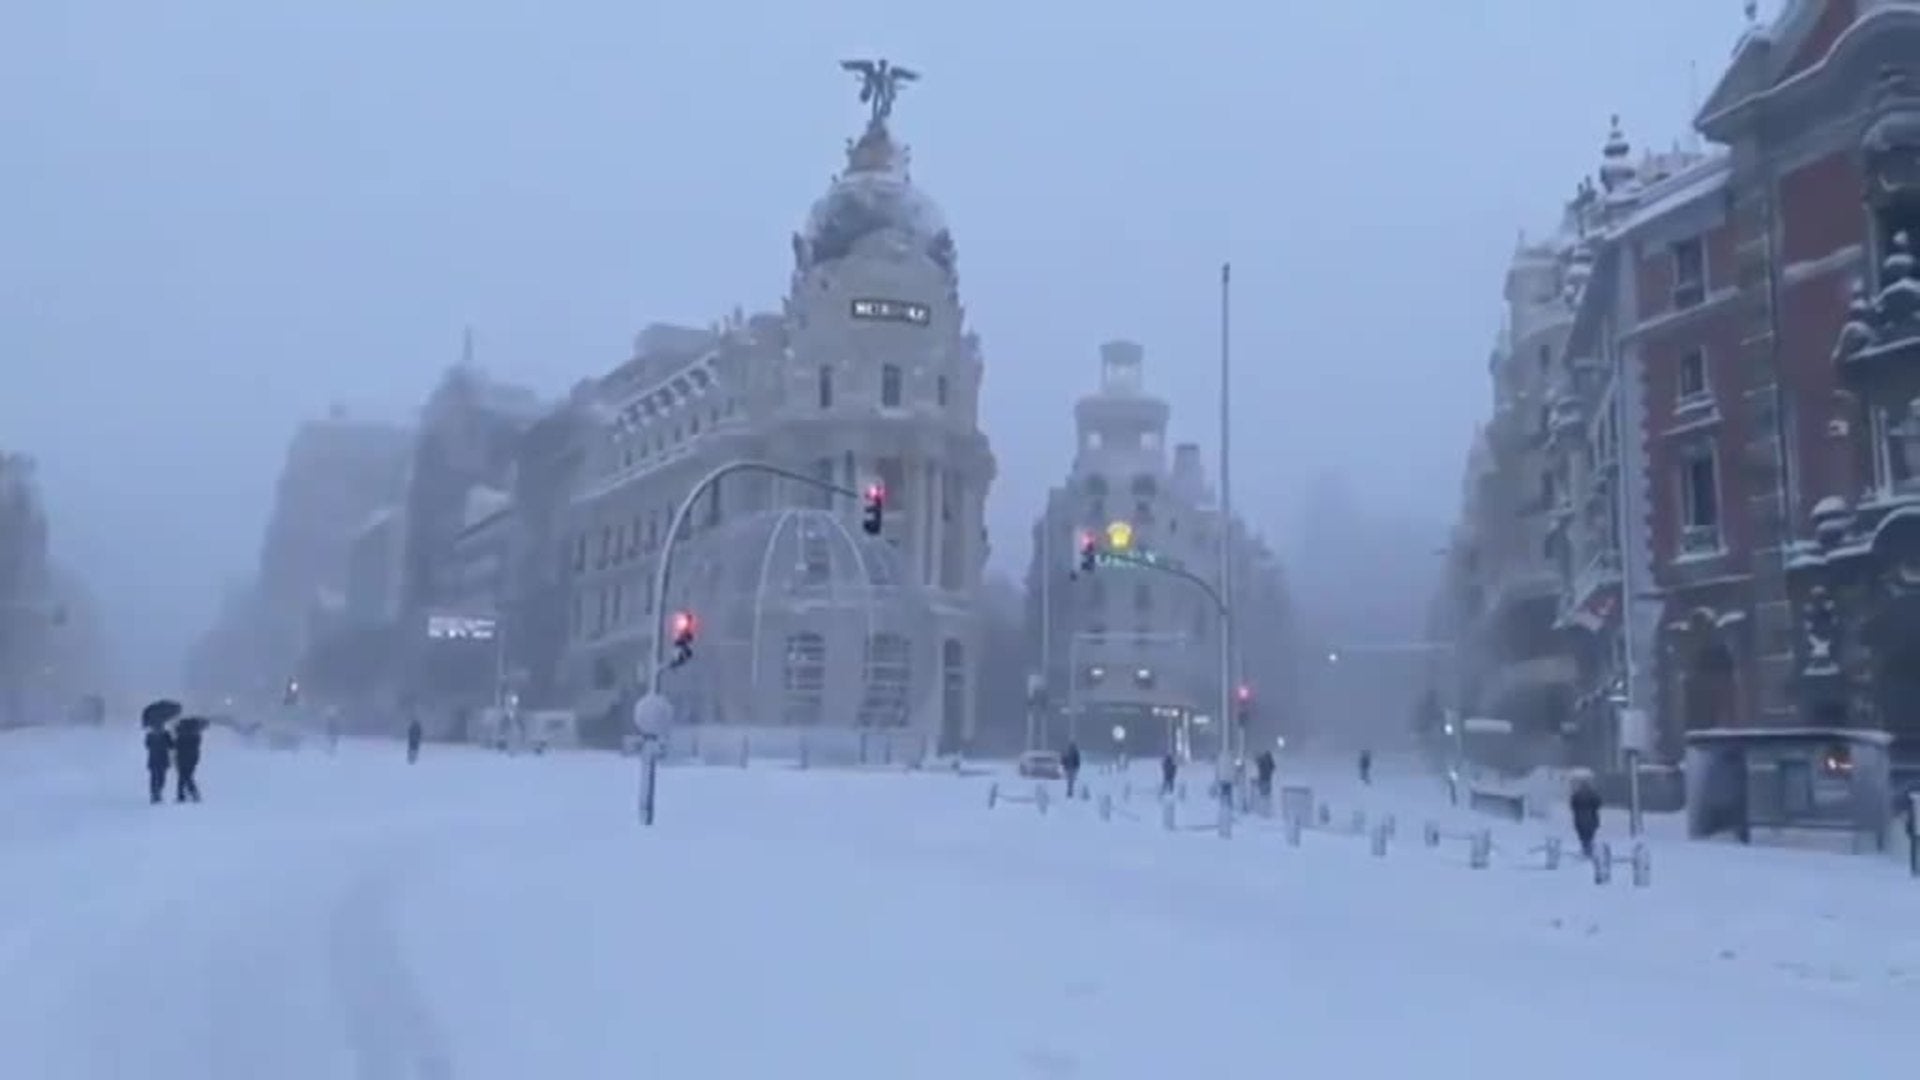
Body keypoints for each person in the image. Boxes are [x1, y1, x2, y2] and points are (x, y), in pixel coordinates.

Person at [172, 716, 205, 802]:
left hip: (181, 758)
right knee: (186, 776)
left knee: (183, 776)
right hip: (193, 758)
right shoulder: (196, 735)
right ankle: (185, 794)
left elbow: (175, 745)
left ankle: (186, 794)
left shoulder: (181, 735)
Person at [1570, 776, 1603, 859]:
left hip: (1580, 818)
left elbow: (1573, 805)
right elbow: (1598, 804)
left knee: (1582, 835)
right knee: (1590, 835)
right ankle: (1588, 849)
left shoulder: (1577, 794)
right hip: (1591, 817)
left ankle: (1586, 849)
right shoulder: (1593, 794)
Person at [144, 721, 173, 805]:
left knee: (159, 777)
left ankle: (157, 792)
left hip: (159, 759)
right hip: (158, 759)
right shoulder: (151, 735)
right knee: (156, 777)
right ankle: (155, 793)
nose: (158, 729)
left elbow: (171, 745)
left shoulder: (165, 735)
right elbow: (147, 745)